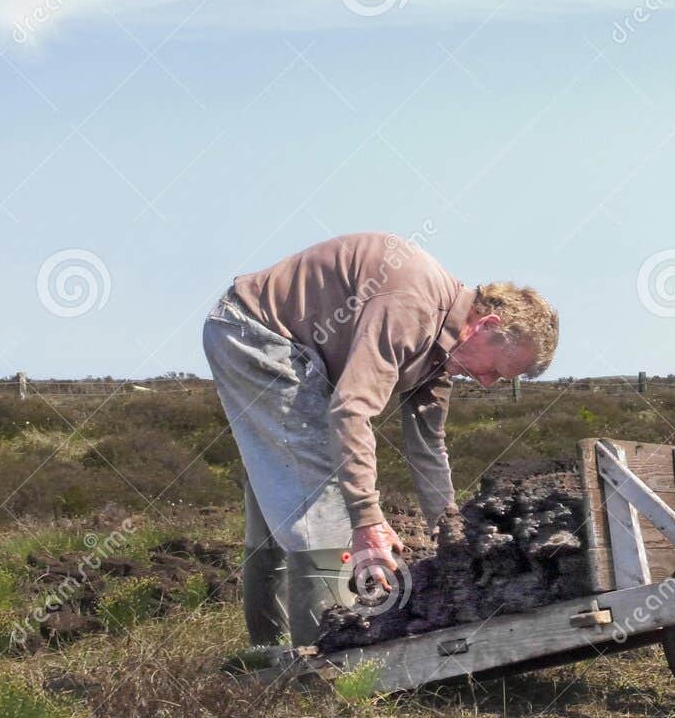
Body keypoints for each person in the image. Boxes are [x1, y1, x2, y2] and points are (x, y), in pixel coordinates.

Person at [203, 231, 559, 653]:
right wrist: (367, 522)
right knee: (320, 495)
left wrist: (450, 531)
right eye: (495, 371)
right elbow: (350, 410)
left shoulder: (446, 348)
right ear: (486, 326)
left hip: (291, 350)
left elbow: (428, 446)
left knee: (279, 484)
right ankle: (322, 669)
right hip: (254, 332)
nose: (486, 383)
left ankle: (262, 655)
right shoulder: (414, 305)